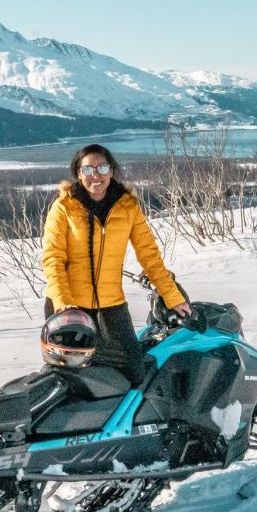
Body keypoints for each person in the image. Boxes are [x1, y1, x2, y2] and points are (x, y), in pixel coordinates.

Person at [41, 143, 191, 385]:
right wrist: (63, 302)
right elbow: (53, 258)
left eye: (102, 168)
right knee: (71, 378)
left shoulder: (127, 206)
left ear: (111, 170)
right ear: (78, 173)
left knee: (133, 372)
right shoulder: (64, 207)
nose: (96, 175)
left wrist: (172, 296)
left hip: (111, 305)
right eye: (88, 169)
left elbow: (149, 255)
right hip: (69, 307)